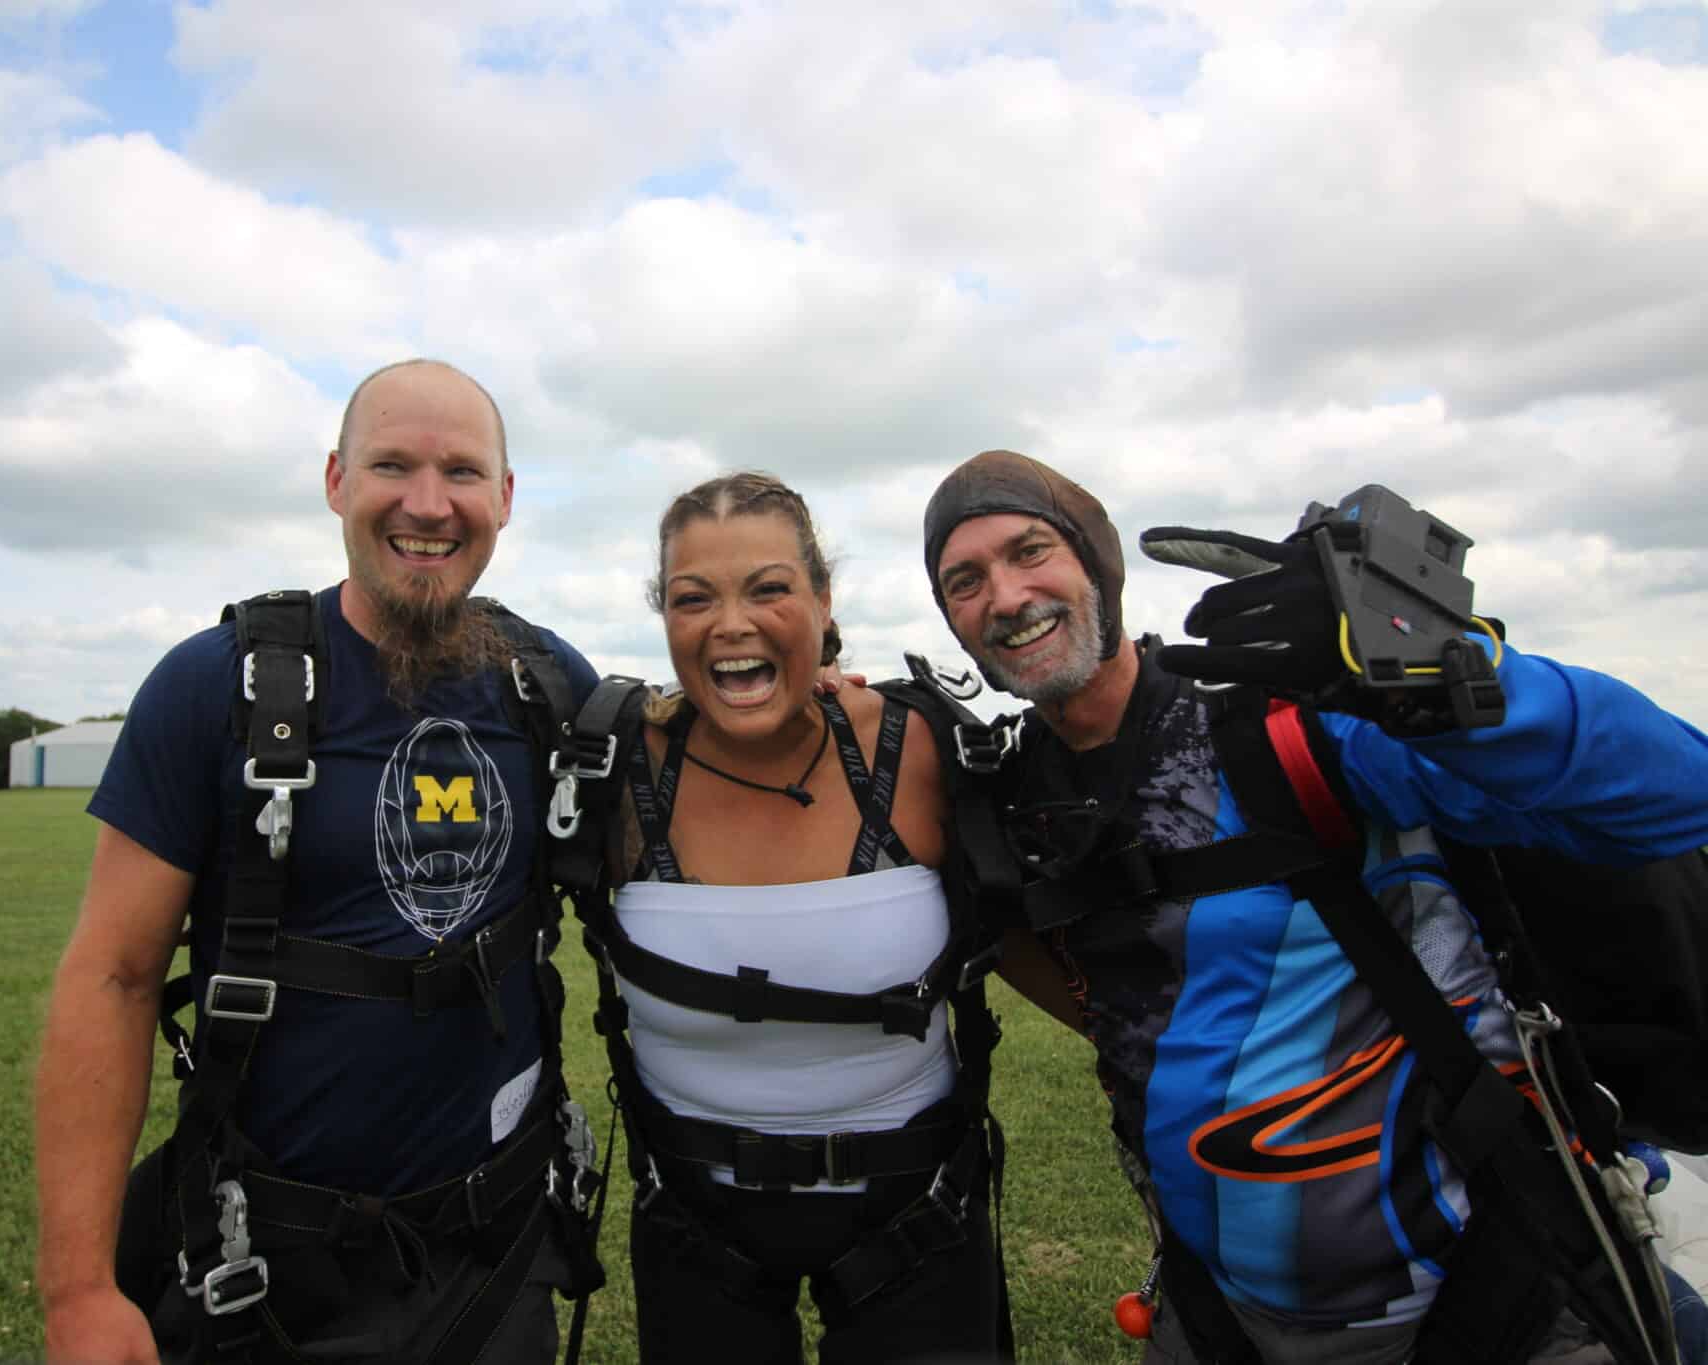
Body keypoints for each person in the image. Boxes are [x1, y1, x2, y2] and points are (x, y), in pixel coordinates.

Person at [915, 449, 1708, 1365]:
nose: (1006, 597)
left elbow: (1676, 789)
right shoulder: (1019, 805)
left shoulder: (1298, 732)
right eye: (964, 581)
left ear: (1097, 563)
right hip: (1225, 1318)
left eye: (1031, 552)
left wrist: (1427, 673)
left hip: (1507, 1296)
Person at [34, 359, 601, 1365]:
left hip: (491, 1266)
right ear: (336, 479)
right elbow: (113, 978)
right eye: (392, 465)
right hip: (260, 1270)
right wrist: (78, 1290)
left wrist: (813, 695)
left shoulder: (547, 685)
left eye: (462, 472)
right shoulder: (214, 685)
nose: (428, 504)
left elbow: (687, 790)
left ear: (505, 500)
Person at [570, 471, 1051, 1365]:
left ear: (823, 601)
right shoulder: (612, 774)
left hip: (920, 1215)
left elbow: (1050, 920)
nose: (732, 624)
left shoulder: (924, 751)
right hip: (692, 1221)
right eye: (693, 597)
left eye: (769, 589)